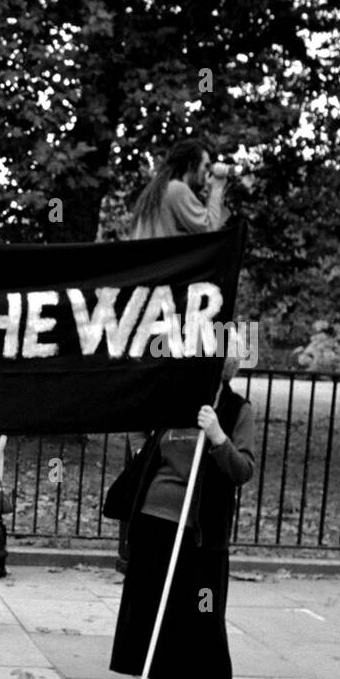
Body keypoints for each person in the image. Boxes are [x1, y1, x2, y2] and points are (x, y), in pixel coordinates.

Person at [108, 354, 254, 679]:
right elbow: (136, 423)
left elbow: (242, 471)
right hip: (155, 519)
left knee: (206, 611)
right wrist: (141, 450)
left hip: (201, 532)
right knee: (156, 604)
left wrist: (219, 437)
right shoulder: (175, 400)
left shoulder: (237, 410)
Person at [117, 137, 229, 573]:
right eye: (205, 167)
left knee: (142, 413)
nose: (207, 174)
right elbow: (211, 232)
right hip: (166, 303)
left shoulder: (153, 193)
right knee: (168, 396)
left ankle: (133, 534)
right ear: (190, 166)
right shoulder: (180, 191)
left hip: (143, 304)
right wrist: (218, 188)